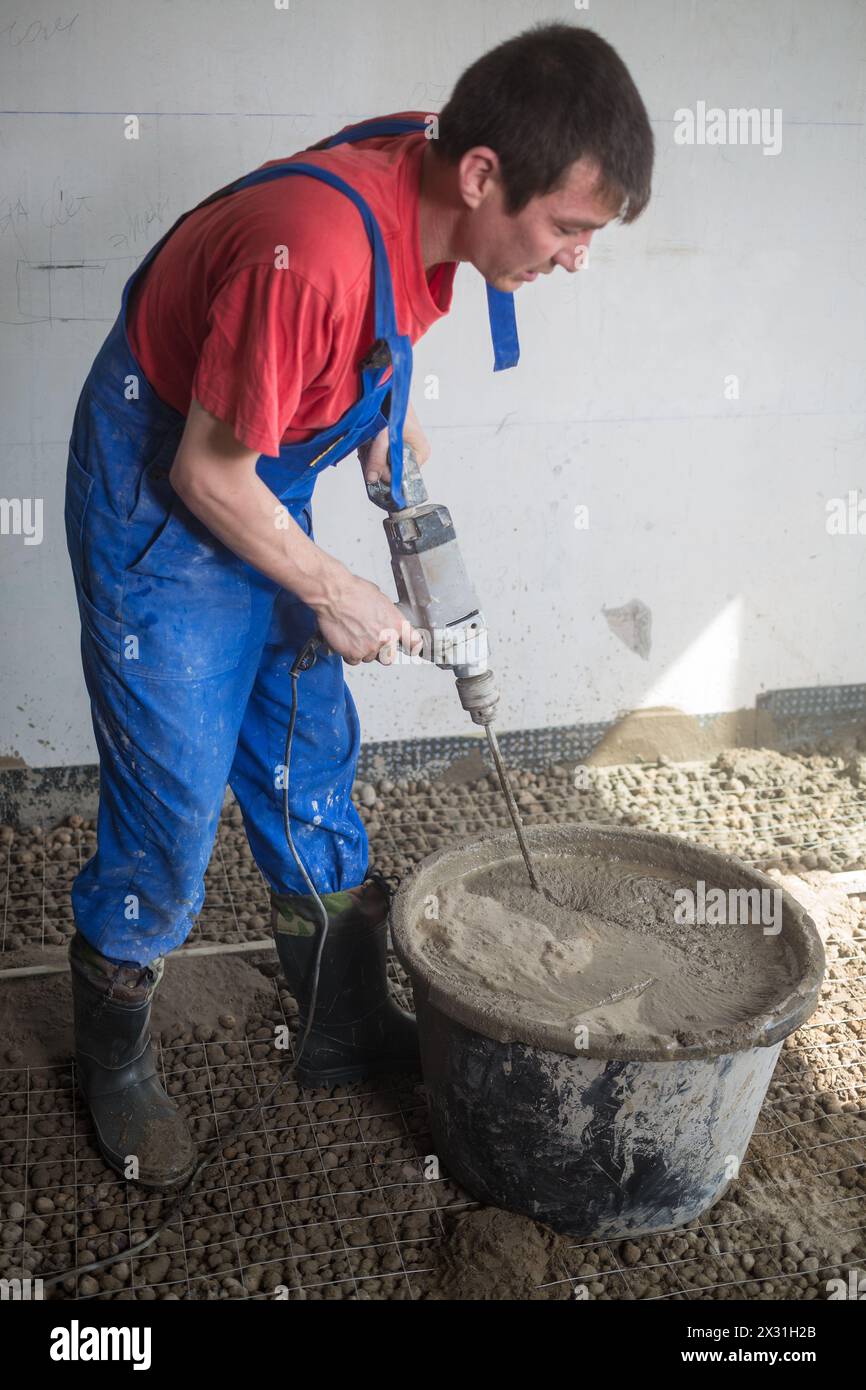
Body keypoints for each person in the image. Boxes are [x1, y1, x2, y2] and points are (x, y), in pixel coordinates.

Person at [64, 23, 654, 1188]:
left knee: (305, 756)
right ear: (486, 176)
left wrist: (393, 450)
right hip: (166, 487)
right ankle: (113, 1061)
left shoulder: (425, 180)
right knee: (172, 811)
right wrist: (332, 586)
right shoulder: (317, 249)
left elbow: (366, 341)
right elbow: (204, 472)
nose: (578, 259)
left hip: (252, 468)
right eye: (571, 229)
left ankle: (336, 1024)